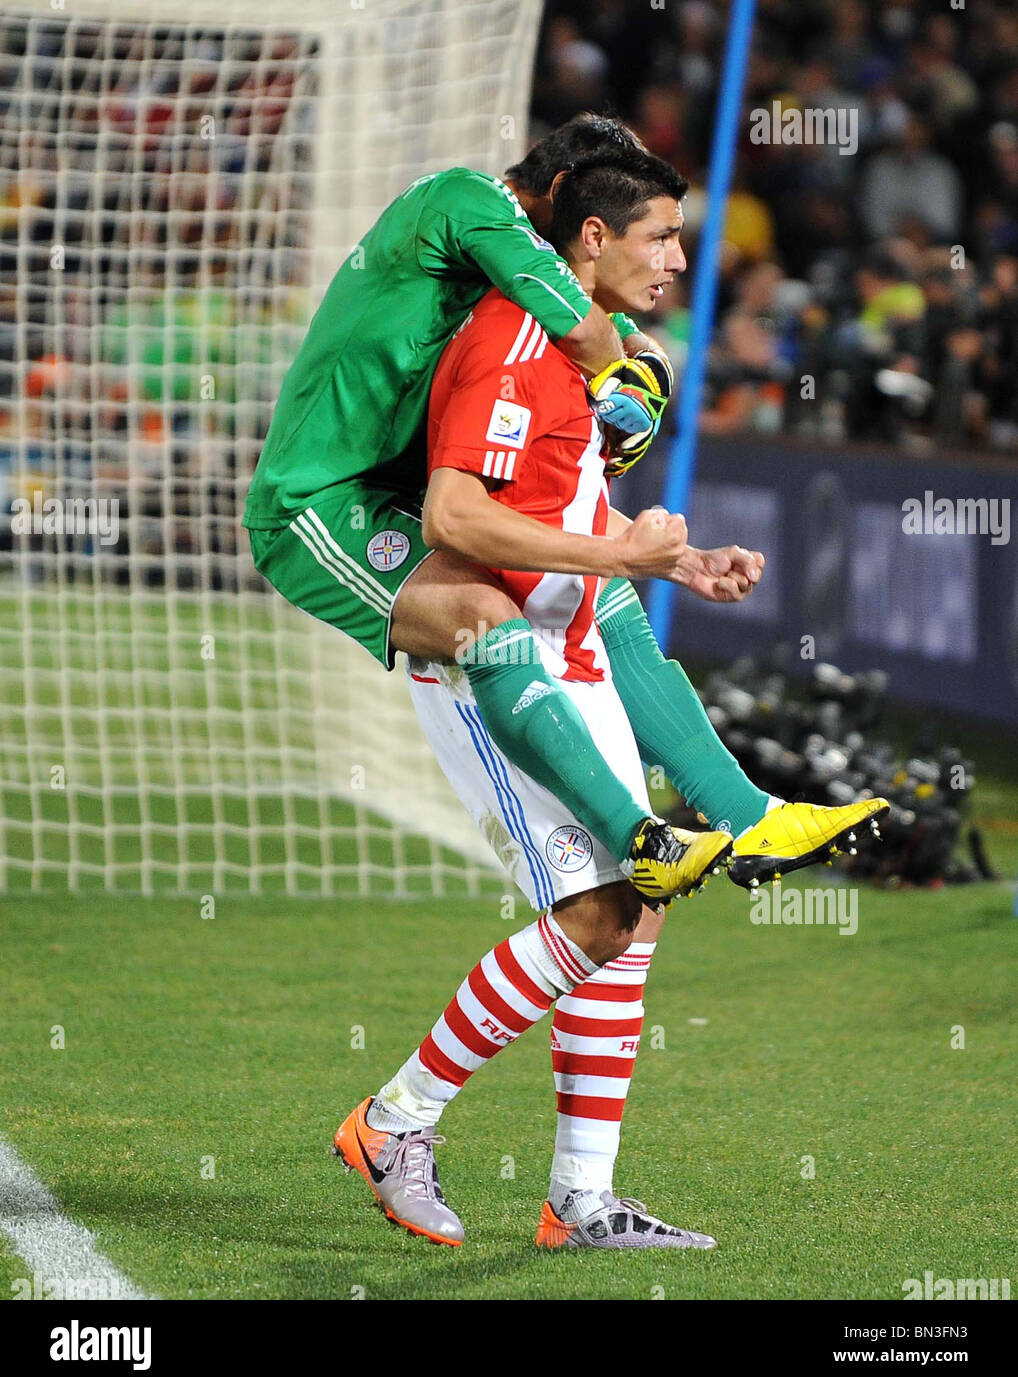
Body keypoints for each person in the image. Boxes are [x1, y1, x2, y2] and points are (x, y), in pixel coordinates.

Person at [332, 150, 888, 1251]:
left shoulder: (592, 357)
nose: (682, 259)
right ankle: (395, 1120)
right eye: (662, 237)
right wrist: (621, 557)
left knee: (637, 914)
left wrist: (676, 563)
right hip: (498, 660)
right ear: (590, 238)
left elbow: (581, 510)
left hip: (571, 638)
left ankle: (581, 1201)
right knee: (597, 910)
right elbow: (454, 516)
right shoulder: (510, 341)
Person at [244, 112, 886, 903]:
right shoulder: (466, 200)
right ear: (563, 197)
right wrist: (634, 383)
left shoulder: (515, 293)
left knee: (599, 592)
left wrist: (677, 547)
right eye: (642, 230)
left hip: (400, 495)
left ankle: (746, 815)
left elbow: (617, 338)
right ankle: (636, 836)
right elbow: (592, 328)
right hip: (317, 504)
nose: (667, 259)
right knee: (488, 614)